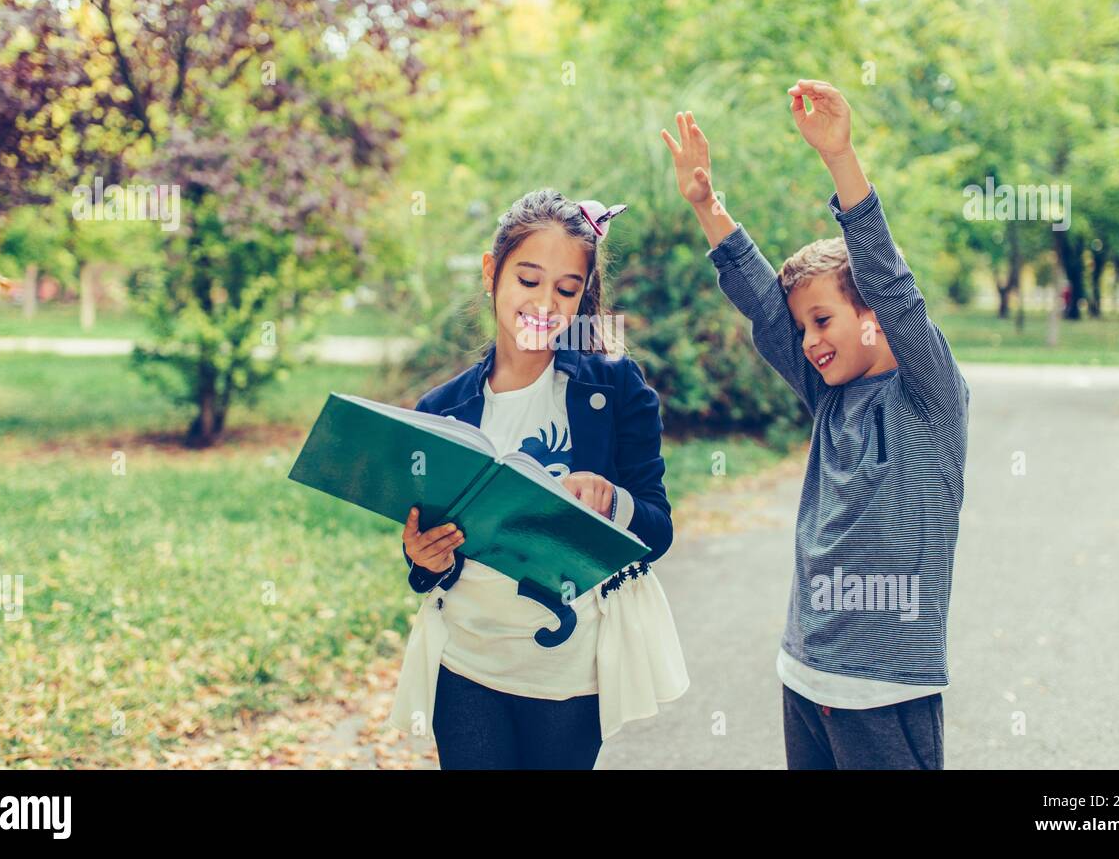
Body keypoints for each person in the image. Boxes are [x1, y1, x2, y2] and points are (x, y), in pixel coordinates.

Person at [661, 80, 970, 769]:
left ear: (872, 318)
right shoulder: (830, 396)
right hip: (804, 676)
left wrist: (840, 158)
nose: (807, 341)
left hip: (887, 689)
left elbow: (890, 280)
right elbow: (760, 304)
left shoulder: (930, 395)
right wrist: (708, 205)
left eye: (822, 320)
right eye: (804, 327)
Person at [387, 189, 688, 769]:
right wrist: (423, 558)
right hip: (467, 664)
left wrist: (612, 501)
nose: (544, 302)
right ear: (491, 272)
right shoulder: (441, 410)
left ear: (583, 297)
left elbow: (658, 528)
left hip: (568, 671)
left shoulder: (613, 388)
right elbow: (432, 553)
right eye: (528, 280)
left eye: (566, 289)